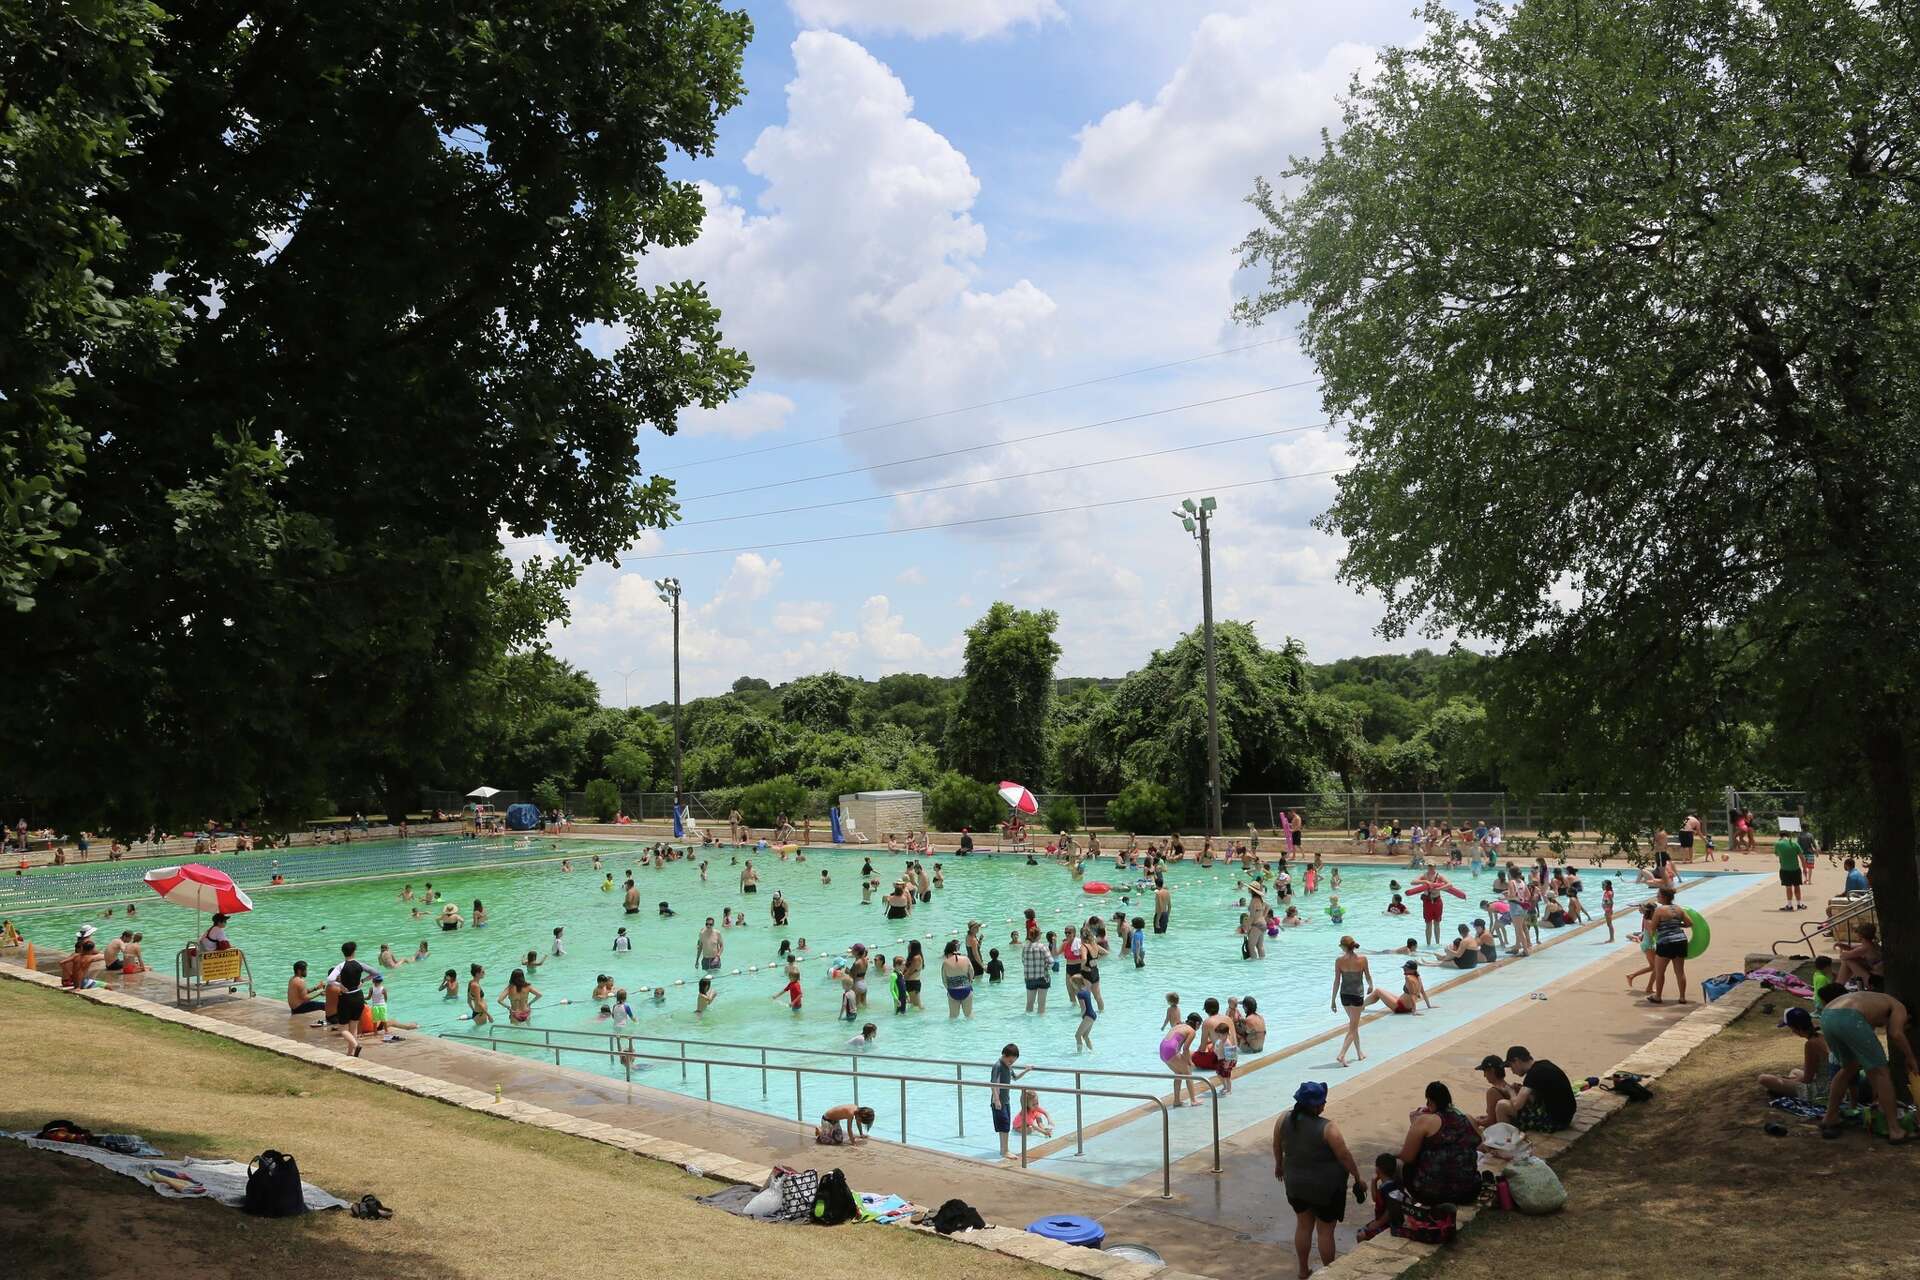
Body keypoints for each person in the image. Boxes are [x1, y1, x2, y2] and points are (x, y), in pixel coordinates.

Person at [1273, 1081, 1365, 1280]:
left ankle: (1303, 1270)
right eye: (1322, 1101)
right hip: (1326, 1189)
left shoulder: (1283, 1119)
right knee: (1325, 1232)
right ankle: (1329, 1275)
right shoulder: (1328, 1128)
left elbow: (1276, 1144)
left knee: (1303, 1226)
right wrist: (1358, 1177)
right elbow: (1344, 1156)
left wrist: (1279, 1165)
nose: (1325, 1104)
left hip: (1295, 1185)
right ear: (1314, 1106)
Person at [1817, 991, 1916, 1144]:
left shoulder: (1873, 1004)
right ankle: (1895, 1130)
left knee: (1849, 1067)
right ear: (1907, 1016)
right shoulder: (1899, 1006)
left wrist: (1877, 1097)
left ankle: (1830, 1117)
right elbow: (1896, 1034)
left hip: (1827, 1016)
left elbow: (1869, 1065)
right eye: (1905, 1024)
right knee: (1883, 1072)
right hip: (1849, 1018)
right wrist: (1910, 1057)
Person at [1397, 1081, 1482, 1207]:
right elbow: (1480, 1142)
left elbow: (1407, 1156)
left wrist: (1413, 1124)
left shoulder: (1424, 1121)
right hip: (1469, 1191)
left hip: (1434, 1195)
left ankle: (1398, 1211)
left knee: (1399, 1164)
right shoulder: (1467, 1119)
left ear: (1430, 1102)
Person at [1758, 1006, 1834, 1101]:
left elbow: (1807, 1080)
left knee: (1763, 1078)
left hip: (1822, 1092)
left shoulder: (1811, 1044)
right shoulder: (1821, 1034)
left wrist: (1790, 1081)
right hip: (1835, 1084)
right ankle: (1786, 1088)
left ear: (1795, 1028)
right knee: (1794, 1071)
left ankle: (1786, 1090)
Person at [1494, 1046, 1576, 1132]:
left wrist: (1510, 1091)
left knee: (1502, 1105)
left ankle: (1505, 1140)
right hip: (1565, 1116)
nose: (1513, 1071)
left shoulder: (1533, 1075)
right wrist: (1521, 1089)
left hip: (1554, 1121)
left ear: (1517, 1061)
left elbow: (1517, 1105)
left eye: (1511, 1066)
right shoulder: (1544, 1064)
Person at [1647, 887, 1693, 1004]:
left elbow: (1652, 930)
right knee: (1680, 971)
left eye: (1658, 895)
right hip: (1681, 941)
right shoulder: (1678, 909)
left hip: (1666, 943)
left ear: (1664, 897)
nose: (1657, 897)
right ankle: (1682, 997)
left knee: (1659, 971)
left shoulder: (1659, 910)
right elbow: (1689, 923)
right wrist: (1677, 925)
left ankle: (1658, 996)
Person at [1331, 936, 1372, 1067]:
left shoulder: (1339, 961)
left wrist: (1333, 1000)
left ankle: (1359, 1052)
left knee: (1353, 1026)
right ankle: (1342, 1054)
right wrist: (1371, 986)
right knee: (1353, 1027)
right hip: (1357, 995)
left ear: (1343, 947)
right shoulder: (1362, 959)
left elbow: (1337, 981)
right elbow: (1367, 975)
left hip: (1344, 995)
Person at [991, 1043, 1031, 1158]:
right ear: (1004, 1055)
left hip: (1006, 1100)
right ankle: (1004, 1151)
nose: (1011, 1062)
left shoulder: (1008, 1066)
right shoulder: (998, 1066)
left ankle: (1004, 1149)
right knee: (1003, 1126)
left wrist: (1026, 1070)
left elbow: (1015, 1078)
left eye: (1013, 1061)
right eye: (1010, 1060)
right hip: (998, 1101)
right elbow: (993, 1084)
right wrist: (997, 1100)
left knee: (1005, 1125)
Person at [1161, 1013, 1203, 1107]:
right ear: (1197, 1024)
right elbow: (1186, 1048)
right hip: (1171, 1050)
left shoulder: (1179, 1025)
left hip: (1162, 1049)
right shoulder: (1192, 1031)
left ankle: (1176, 1101)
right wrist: (1189, 1062)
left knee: (1179, 1074)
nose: (1199, 1028)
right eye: (1199, 1025)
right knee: (1188, 1073)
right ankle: (1193, 1100)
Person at [1833, 922, 1883, 988]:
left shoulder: (1865, 948)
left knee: (1848, 960)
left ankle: (1838, 986)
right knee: (1853, 959)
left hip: (1875, 981)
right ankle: (1839, 984)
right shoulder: (1873, 944)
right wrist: (1841, 945)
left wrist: (1843, 952)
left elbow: (1843, 956)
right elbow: (1852, 948)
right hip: (1877, 977)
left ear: (1860, 935)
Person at [1474, 1054, 1512, 1127]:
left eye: (1485, 1071)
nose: (1484, 1075)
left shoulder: (1493, 1092)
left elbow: (1491, 1122)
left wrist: (1477, 1121)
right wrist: (1485, 1117)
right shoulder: (1510, 1087)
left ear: (1492, 1071)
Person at [940, 940, 973, 1019]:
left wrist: (949, 989)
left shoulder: (945, 963)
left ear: (947, 952)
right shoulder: (965, 959)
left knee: (953, 1017)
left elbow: (944, 980)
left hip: (953, 991)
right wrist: (969, 982)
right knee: (969, 1015)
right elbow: (972, 974)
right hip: (966, 989)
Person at [1776, 829, 1807, 910]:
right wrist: (1804, 868)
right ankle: (1799, 904)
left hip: (1784, 869)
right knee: (1797, 886)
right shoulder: (1794, 843)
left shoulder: (1778, 844)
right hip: (1795, 869)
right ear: (1788, 836)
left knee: (1788, 887)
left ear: (1780, 836)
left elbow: (1779, 856)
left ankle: (1789, 905)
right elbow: (1802, 857)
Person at [1022, 932, 1052, 1014]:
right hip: (1043, 977)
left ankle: (1028, 1025)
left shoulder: (1025, 947)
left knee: (1029, 1004)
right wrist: (1045, 967)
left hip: (1029, 978)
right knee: (1041, 1004)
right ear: (1038, 936)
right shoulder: (1042, 947)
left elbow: (1023, 961)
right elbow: (1051, 962)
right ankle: (1041, 1025)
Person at [1070, 972, 1096, 1051]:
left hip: (1088, 1016)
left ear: (1076, 984)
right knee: (1085, 1036)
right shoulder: (1086, 990)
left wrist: (1077, 1016)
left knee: (1077, 1036)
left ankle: (1079, 1054)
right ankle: (1092, 1052)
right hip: (1093, 1015)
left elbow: (1083, 1008)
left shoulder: (1080, 994)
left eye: (1072, 984)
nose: (1072, 986)